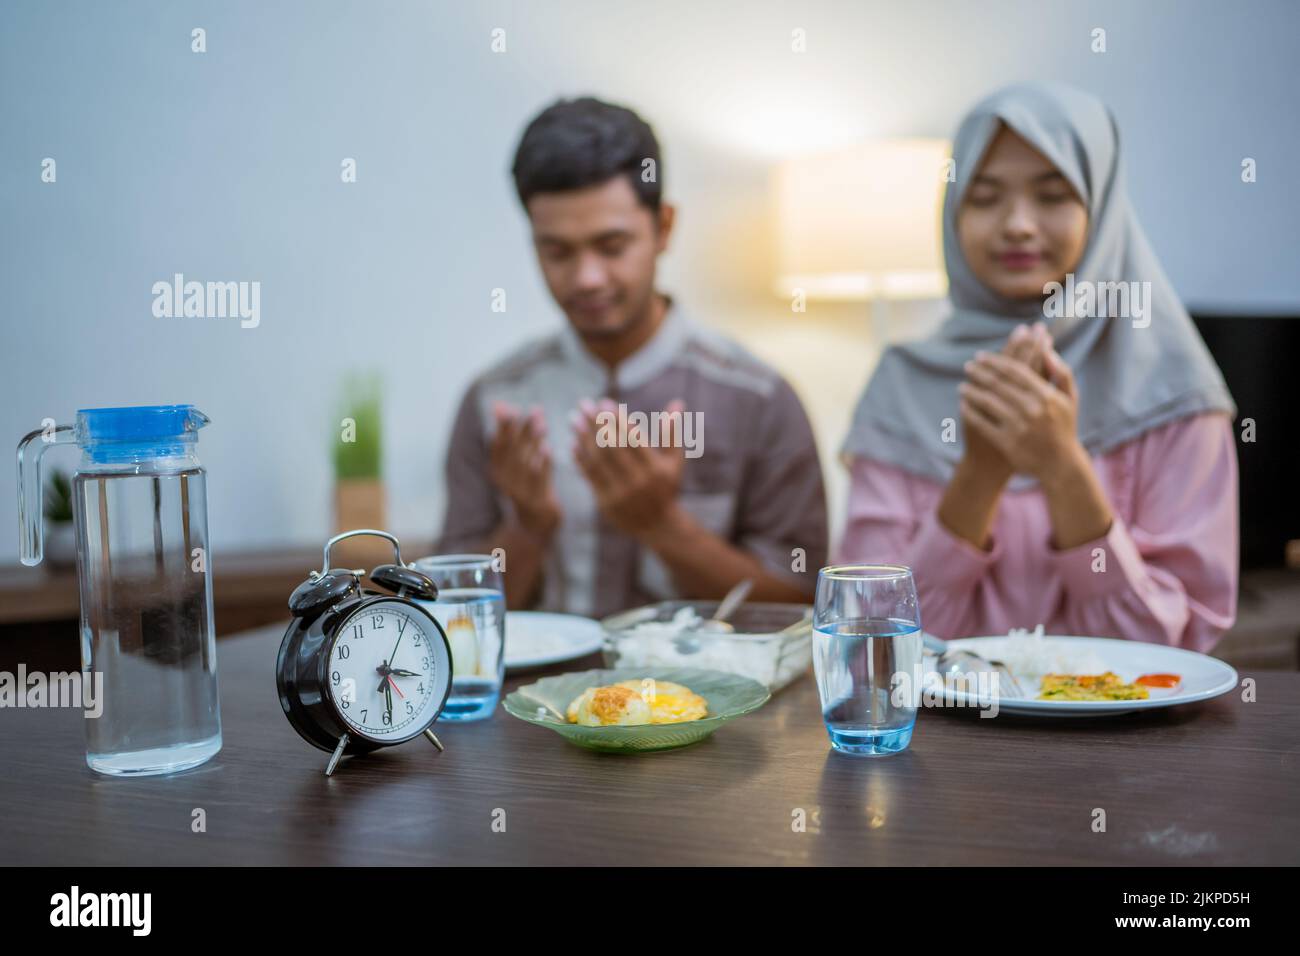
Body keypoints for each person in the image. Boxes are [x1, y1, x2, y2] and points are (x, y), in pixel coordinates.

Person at [838, 82, 1238, 652]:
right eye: (984, 196)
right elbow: (868, 638)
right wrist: (980, 472)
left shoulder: (1173, 388)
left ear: (1099, 209)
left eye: (1052, 196)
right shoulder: (901, 384)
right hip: (942, 736)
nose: (1018, 224)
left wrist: (1061, 465)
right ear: (951, 212)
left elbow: (1173, 648)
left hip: (1130, 740)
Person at [438, 97, 827, 617]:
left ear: (663, 228)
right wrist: (527, 528)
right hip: (533, 700)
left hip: (712, 699)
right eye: (557, 251)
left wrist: (662, 527)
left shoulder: (756, 399)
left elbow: (803, 607)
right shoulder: (496, 401)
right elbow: (450, 617)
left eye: (612, 245)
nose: (586, 278)